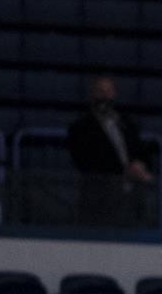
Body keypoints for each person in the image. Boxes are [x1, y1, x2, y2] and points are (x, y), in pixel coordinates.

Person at [67, 74, 156, 224]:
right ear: (93, 94)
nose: (104, 95)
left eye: (108, 91)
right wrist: (124, 172)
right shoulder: (81, 127)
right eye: (100, 91)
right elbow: (84, 161)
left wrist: (140, 165)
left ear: (114, 94)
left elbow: (142, 150)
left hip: (130, 195)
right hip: (99, 197)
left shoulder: (126, 123)